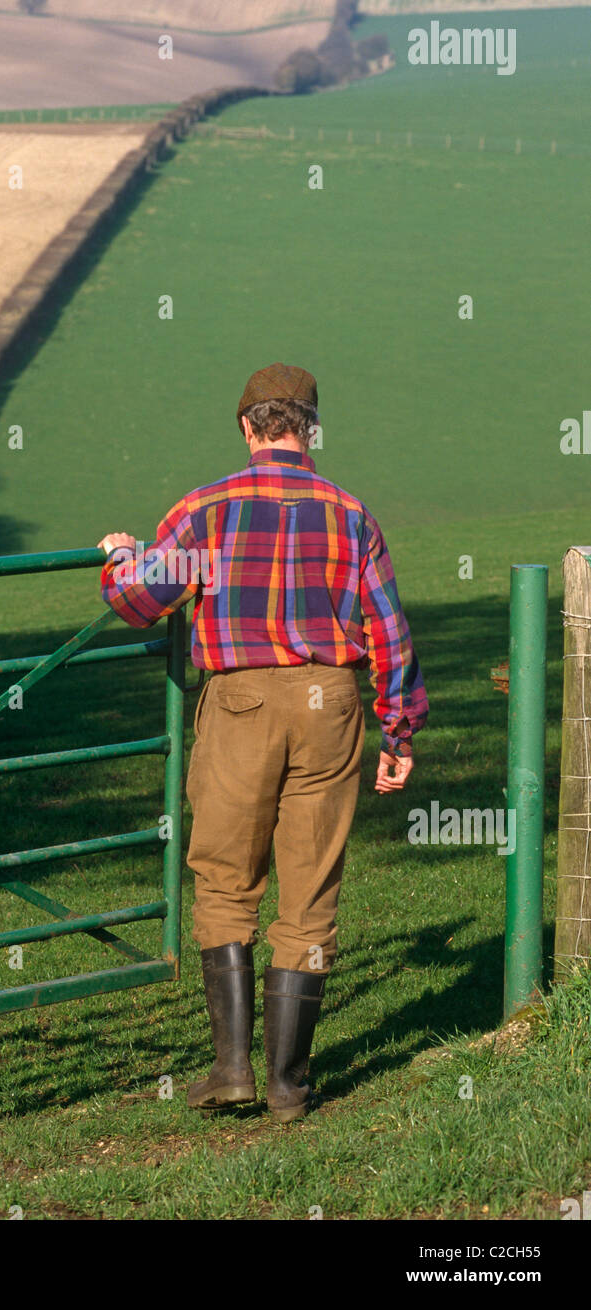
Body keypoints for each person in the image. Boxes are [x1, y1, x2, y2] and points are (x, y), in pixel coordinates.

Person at [98, 363, 428, 1121]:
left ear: (246, 426)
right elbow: (389, 630)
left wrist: (121, 556)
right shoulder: (350, 514)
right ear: (308, 430)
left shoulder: (207, 509)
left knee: (223, 878)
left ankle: (231, 1070)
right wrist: (398, 727)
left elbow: (140, 600)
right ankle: (288, 1085)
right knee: (309, 894)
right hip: (332, 702)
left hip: (241, 700)